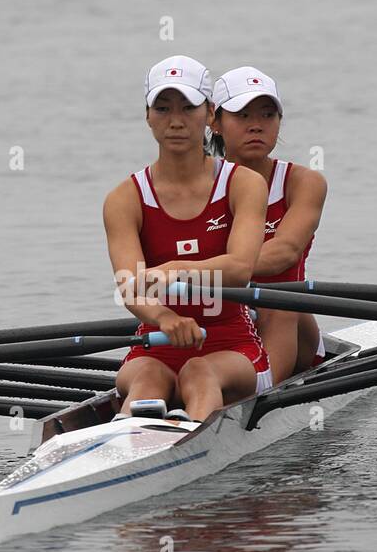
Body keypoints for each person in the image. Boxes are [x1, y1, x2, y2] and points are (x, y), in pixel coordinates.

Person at [104, 55, 271, 422]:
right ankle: (132, 440)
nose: (175, 121)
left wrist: (174, 270)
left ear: (210, 114)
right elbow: (130, 287)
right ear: (147, 116)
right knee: (145, 378)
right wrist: (164, 318)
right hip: (155, 344)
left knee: (199, 371)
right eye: (162, 109)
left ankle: (185, 439)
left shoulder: (243, 184)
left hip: (232, 346)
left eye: (188, 107)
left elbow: (240, 268)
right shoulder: (124, 199)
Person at [210, 66, 327, 383]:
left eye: (267, 115)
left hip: (285, 320)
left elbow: (284, 254)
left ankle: (254, 392)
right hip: (218, 316)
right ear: (215, 122)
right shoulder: (195, 186)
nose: (256, 126)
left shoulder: (303, 182)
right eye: (243, 116)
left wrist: (192, 272)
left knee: (276, 303)